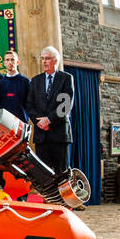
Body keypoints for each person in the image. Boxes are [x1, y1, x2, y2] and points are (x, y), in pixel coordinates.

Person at [27, 44, 75, 172]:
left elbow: (65, 106)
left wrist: (48, 120)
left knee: (62, 175)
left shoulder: (66, 78)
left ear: (56, 61)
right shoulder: (35, 81)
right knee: (44, 175)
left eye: (47, 58)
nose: (43, 61)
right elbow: (29, 106)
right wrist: (40, 122)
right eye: (42, 58)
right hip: (41, 136)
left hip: (59, 135)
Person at [0, 49, 30, 123]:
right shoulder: (0, 84)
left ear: (17, 62)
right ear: (4, 63)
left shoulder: (26, 82)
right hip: (4, 123)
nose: (10, 62)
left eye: (12, 60)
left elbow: (30, 104)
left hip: (21, 123)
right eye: (7, 60)